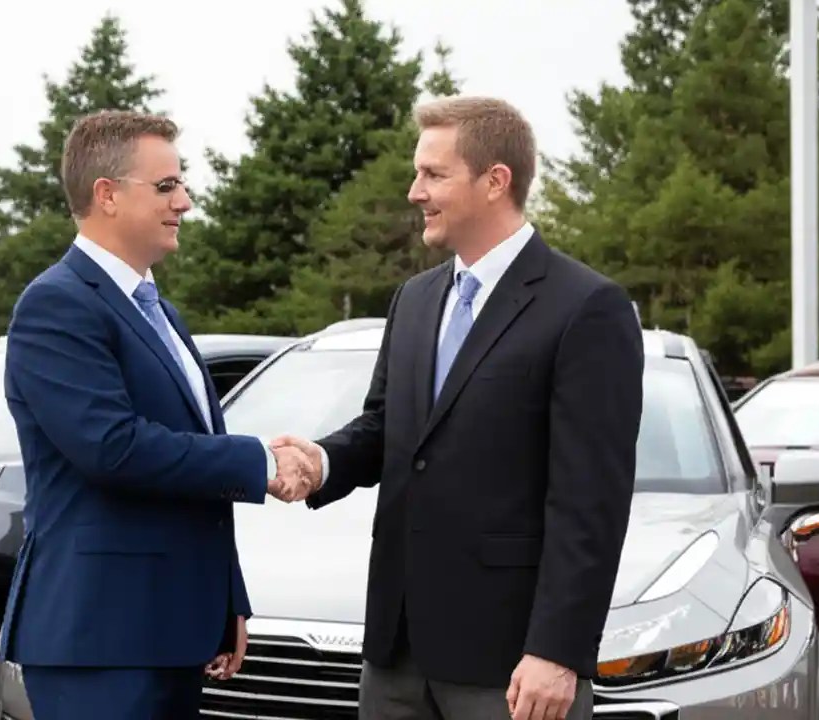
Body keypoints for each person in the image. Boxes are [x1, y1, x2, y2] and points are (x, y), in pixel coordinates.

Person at [273, 96, 644, 720]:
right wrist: (323, 462)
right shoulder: (414, 299)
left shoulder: (587, 307)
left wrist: (558, 651)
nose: (415, 191)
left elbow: (591, 502)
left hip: (510, 664)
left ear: (496, 180)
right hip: (394, 654)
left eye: (433, 174)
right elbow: (391, 425)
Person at [0, 110, 316, 719]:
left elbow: (189, 461)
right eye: (167, 186)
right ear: (107, 195)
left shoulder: (157, 310)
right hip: (100, 641)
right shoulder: (55, 305)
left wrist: (228, 598)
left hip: (171, 632)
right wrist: (257, 459)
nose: (186, 202)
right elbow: (112, 446)